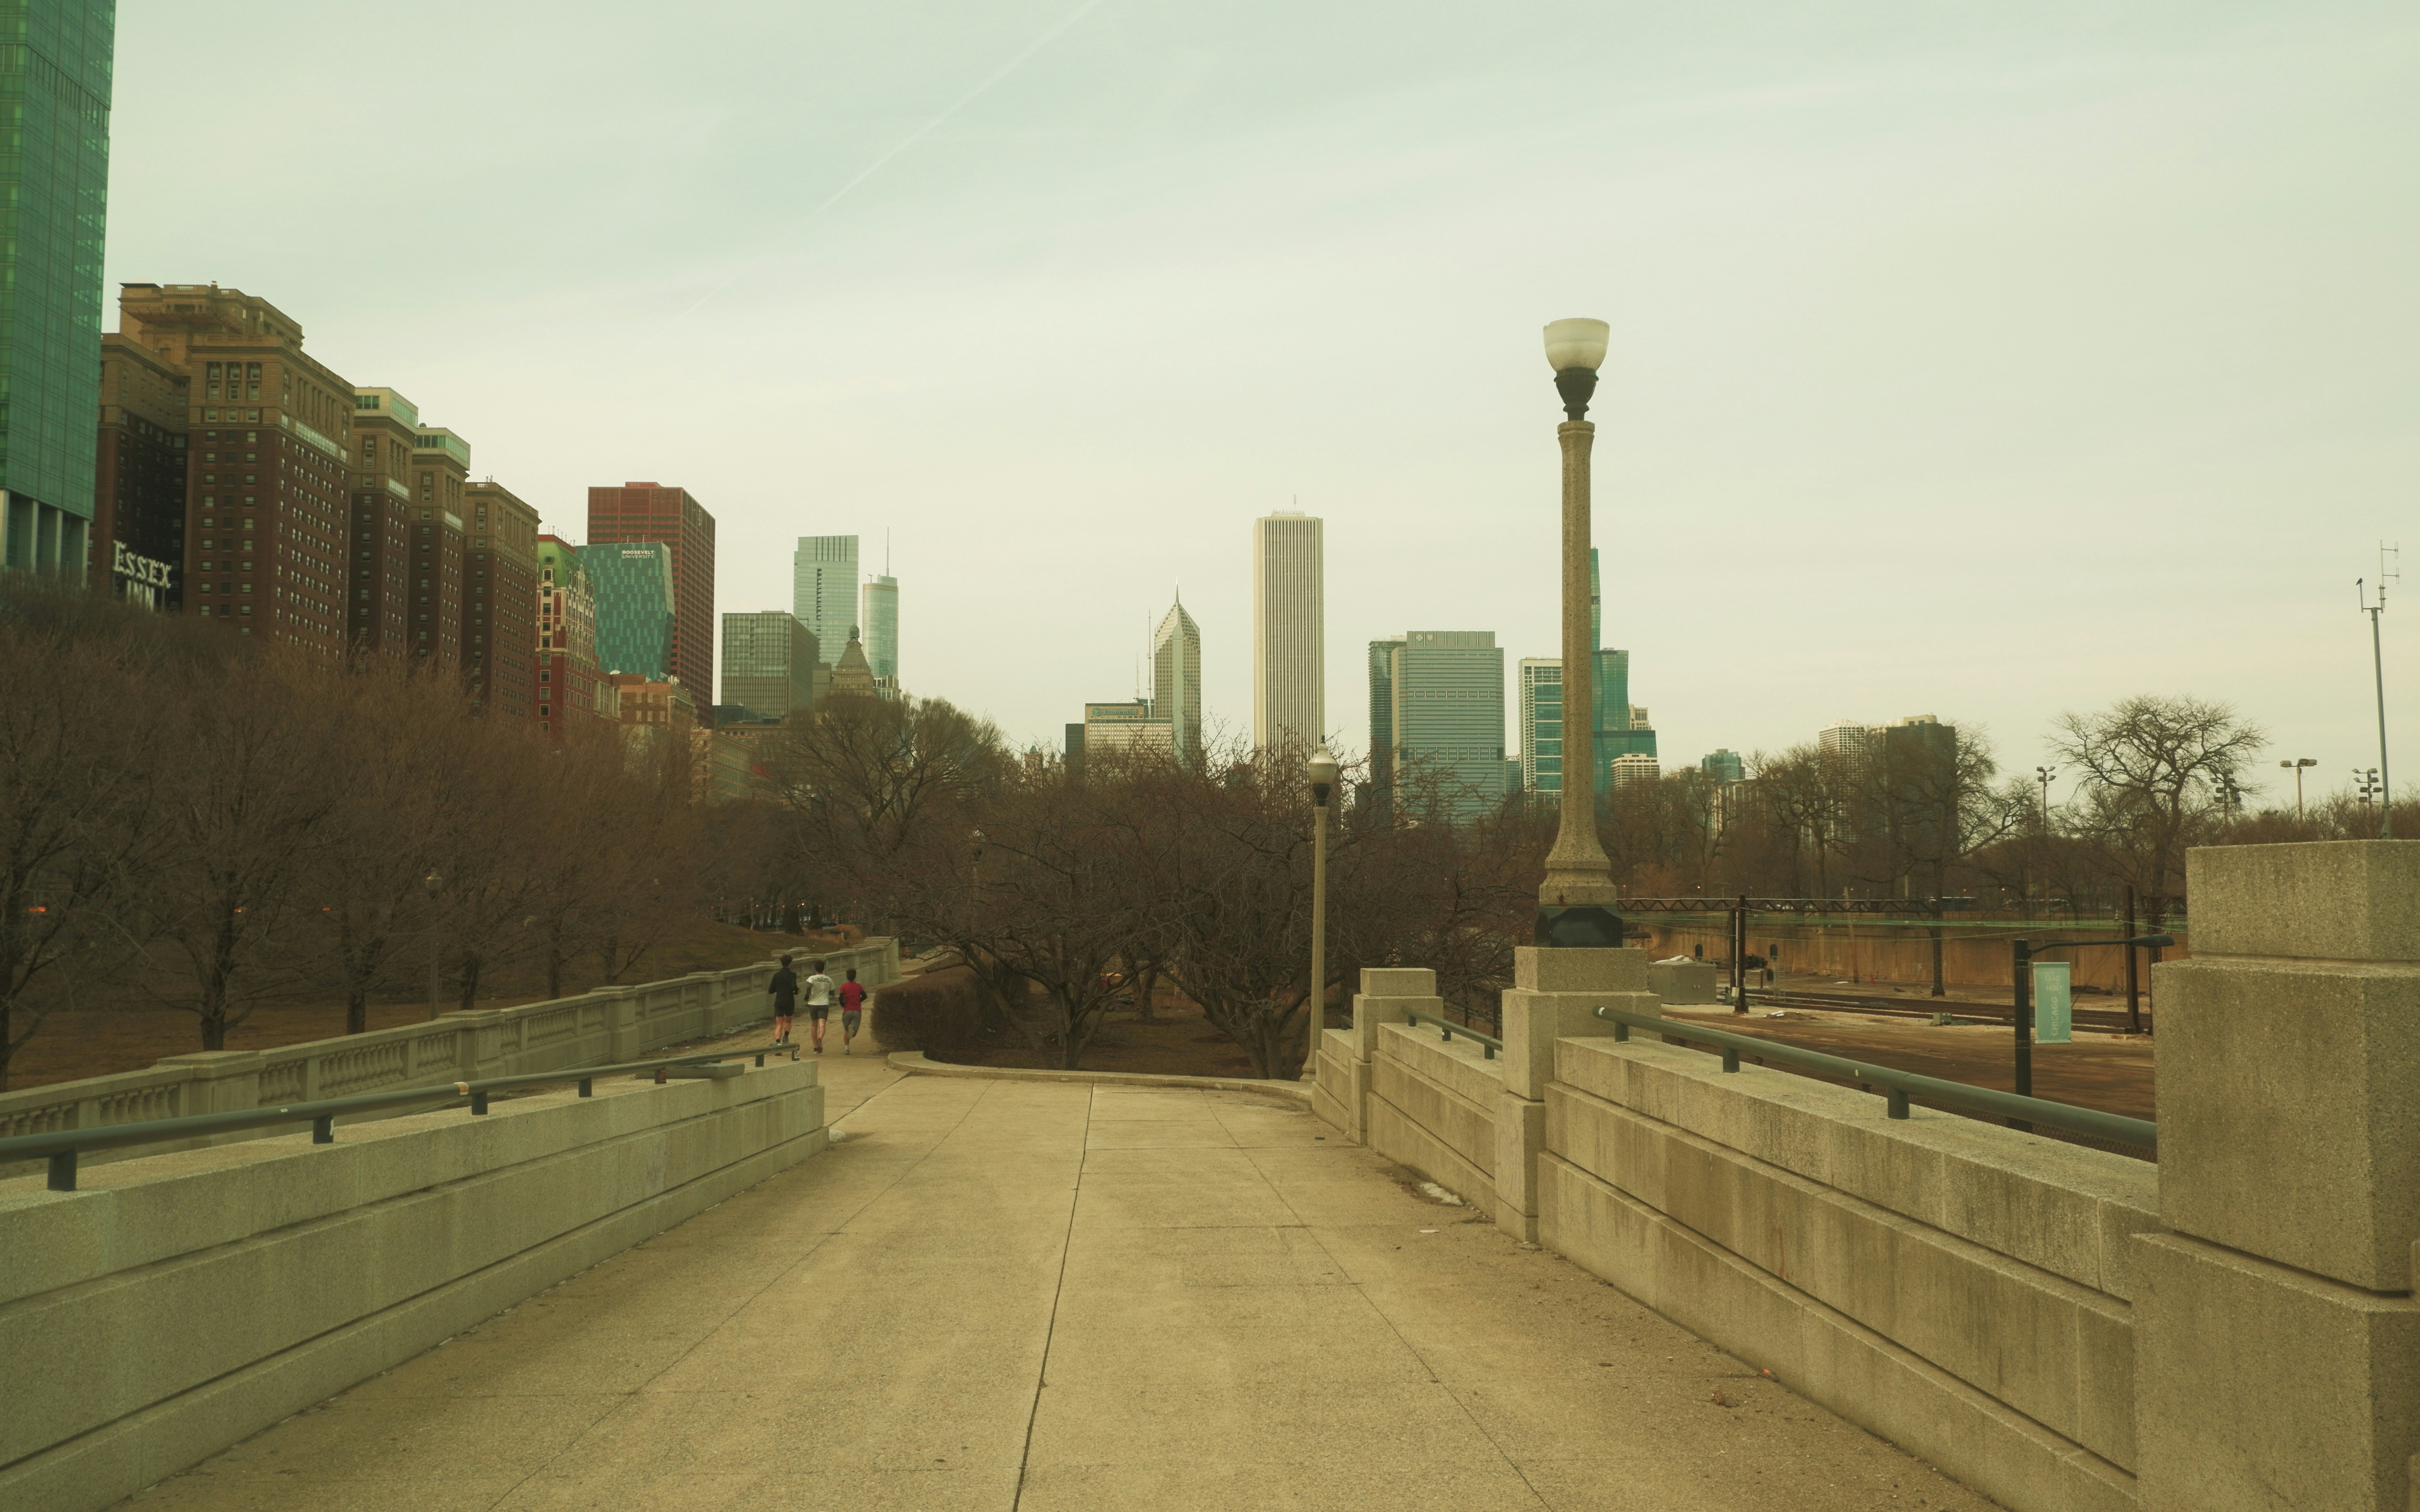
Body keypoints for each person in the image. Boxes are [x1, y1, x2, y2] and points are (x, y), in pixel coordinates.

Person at [803, 959, 837, 1053]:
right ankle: (820, 1038)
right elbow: (832, 993)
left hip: (813, 1004)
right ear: (824, 969)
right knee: (822, 1025)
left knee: (814, 1026)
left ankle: (815, 1047)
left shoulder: (812, 978)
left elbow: (809, 986)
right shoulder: (829, 980)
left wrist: (807, 996)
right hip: (824, 1004)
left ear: (815, 969)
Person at [768, 954, 799, 1044]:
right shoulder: (792, 975)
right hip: (789, 1001)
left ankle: (778, 1043)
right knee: (788, 1021)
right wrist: (797, 990)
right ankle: (786, 1035)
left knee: (779, 1024)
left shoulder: (776, 975)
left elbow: (771, 990)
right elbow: (793, 986)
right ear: (790, 964)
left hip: (779, 1001)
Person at [837, 968, 867, 1054]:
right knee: (853, 1033)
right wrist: (858, 1001)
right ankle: (853, 1032)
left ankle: (847, 1049)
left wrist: (844, 1005)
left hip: (847, 1011)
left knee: (846, 1030)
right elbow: (865, 996)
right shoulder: (858, 986)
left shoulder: (843, 987)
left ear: (847, 977)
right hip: (857, 1011)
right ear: (855, 977)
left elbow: (841, 999)